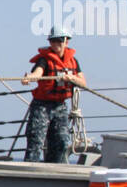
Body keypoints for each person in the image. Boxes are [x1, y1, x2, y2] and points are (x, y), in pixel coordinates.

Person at [21, 26, 87, 163]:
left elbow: (83, 83)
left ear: (66, 41)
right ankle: (30, 172)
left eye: (58, 41)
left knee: (61, 142)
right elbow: (38, 73)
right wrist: (30, 77)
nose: (55, 44)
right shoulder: (44, 60)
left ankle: (54, 170)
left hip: (60, 106)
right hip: (42, 106)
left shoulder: (73, 61)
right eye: (52, 41)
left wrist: (71, 78)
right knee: (35, 141)